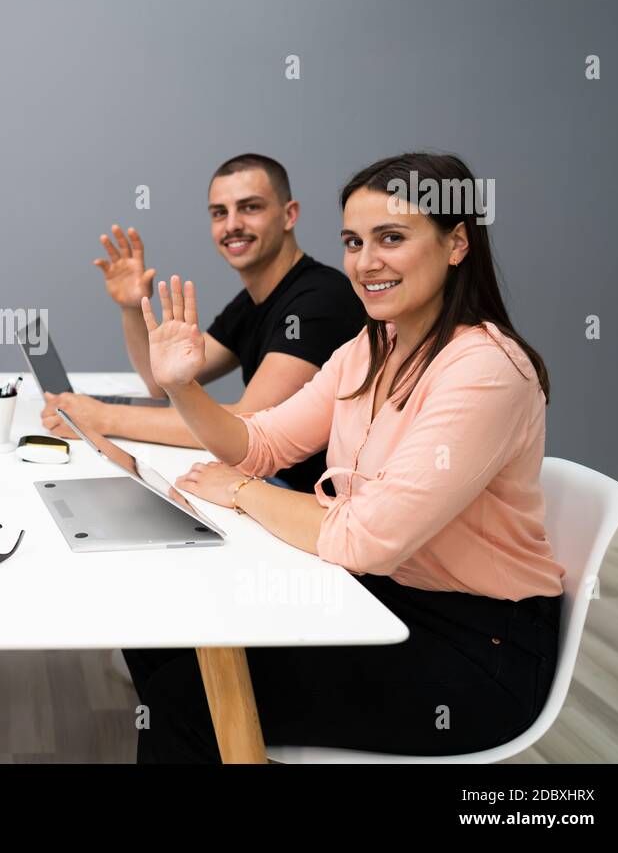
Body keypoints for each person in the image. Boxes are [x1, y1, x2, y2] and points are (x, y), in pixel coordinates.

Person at [103, 152, 564, 762]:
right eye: (353, 241)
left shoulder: (485, 369)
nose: (365, 262)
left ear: (457, 244)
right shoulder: (370, 346)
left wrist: (240, 490)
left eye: (391, 238)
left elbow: (366, 537)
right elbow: (262, 441)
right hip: (378, 593)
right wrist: (184, 387)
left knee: (184, 701)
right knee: (165, 639)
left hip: (478, 648)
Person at [42, 154, 364, 492]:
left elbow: (246, 425)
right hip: (262, 480)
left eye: (250, 207)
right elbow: (163, 381)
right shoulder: (251, 302)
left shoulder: (321, 300)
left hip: (303, 500)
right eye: (219, 213)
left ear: (289, 215)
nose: (232, 225)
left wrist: (104, 417)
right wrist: (131, 308)